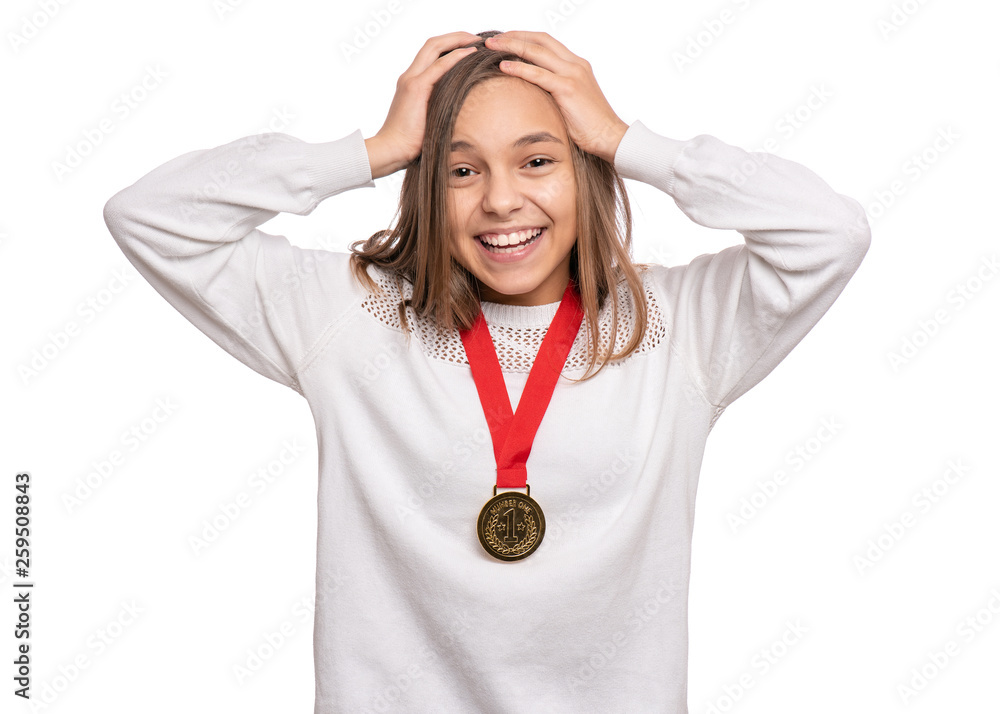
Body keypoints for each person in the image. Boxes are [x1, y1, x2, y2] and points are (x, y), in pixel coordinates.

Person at [103, 29, 870, 713]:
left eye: (539, 160)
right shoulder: (349, 315)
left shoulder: (678, 328)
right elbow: (149, 215)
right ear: (425, 185)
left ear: (589, 172)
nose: (503, 200)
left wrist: (630, 140)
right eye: (461, 170)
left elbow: (830, 232)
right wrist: (370, 150)